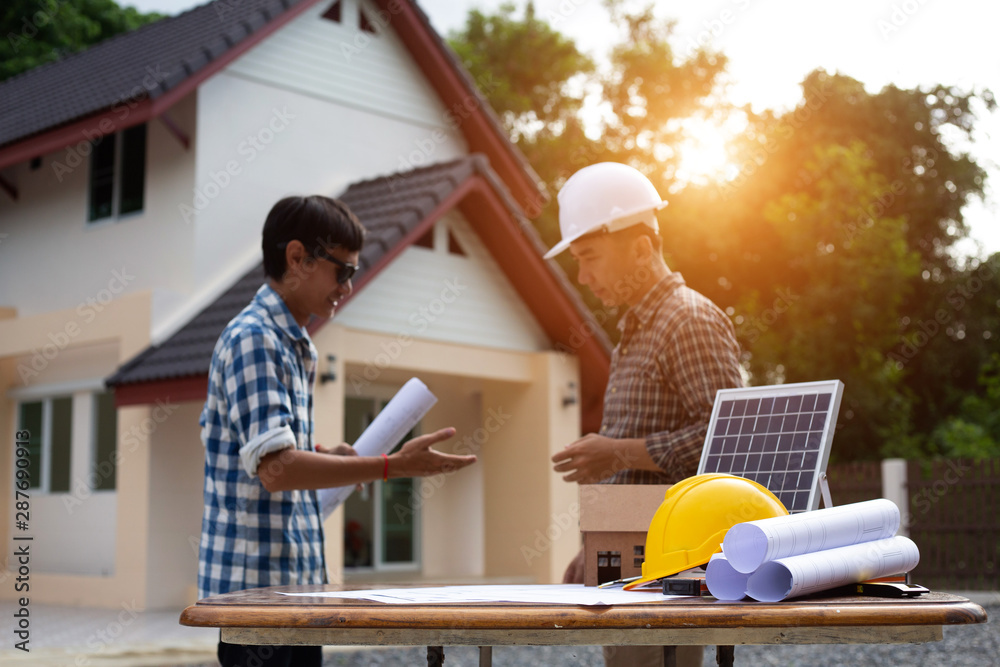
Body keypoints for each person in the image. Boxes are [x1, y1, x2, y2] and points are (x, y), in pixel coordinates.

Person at [198, 195, 477, 667]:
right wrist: (393, 466)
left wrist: (333, 457)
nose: (347, 286)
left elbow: (275, 457)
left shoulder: (291, 342)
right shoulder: (255, 339)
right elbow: (277, 470)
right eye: (342, 271)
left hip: (293, 592)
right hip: (259, 601)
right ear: (296, 258)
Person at [546, 163, 742, 667]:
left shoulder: (689, 319)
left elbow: (727, 445)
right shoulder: (637, 331)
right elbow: (638, 477)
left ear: (640, 247)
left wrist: (614, 453)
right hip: (635, 567)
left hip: (673, 575)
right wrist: (597, 549)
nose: (583, 278)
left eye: (589, 258)